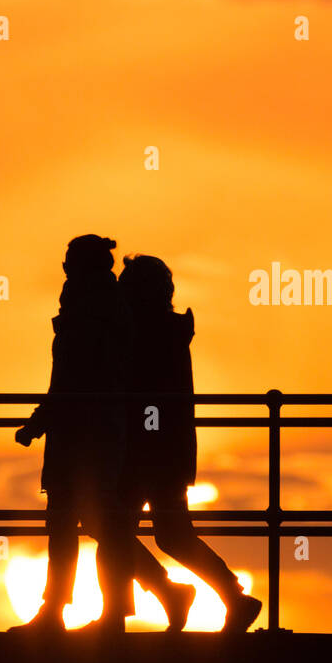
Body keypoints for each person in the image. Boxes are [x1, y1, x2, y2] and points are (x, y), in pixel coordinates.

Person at [11, 235, 195, 634]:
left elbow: (71, 379)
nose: (64, 267)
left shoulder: (87, 312)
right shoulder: (101, 308)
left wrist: (41, 420)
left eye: (70, 260)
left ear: (82, 266)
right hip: (96, 432)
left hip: (84, 435)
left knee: (77, 524)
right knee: (99, 525)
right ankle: (141, 599)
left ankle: (73, 611)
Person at [118, 254, 262, 632]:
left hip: (143, 451)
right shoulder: (166, 331)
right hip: (168, 450)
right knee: (171, 534)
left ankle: (173, 593)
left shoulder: (146, 334)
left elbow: (136, 390)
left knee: (114, 528)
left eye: (128, 283)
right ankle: (227, 596)